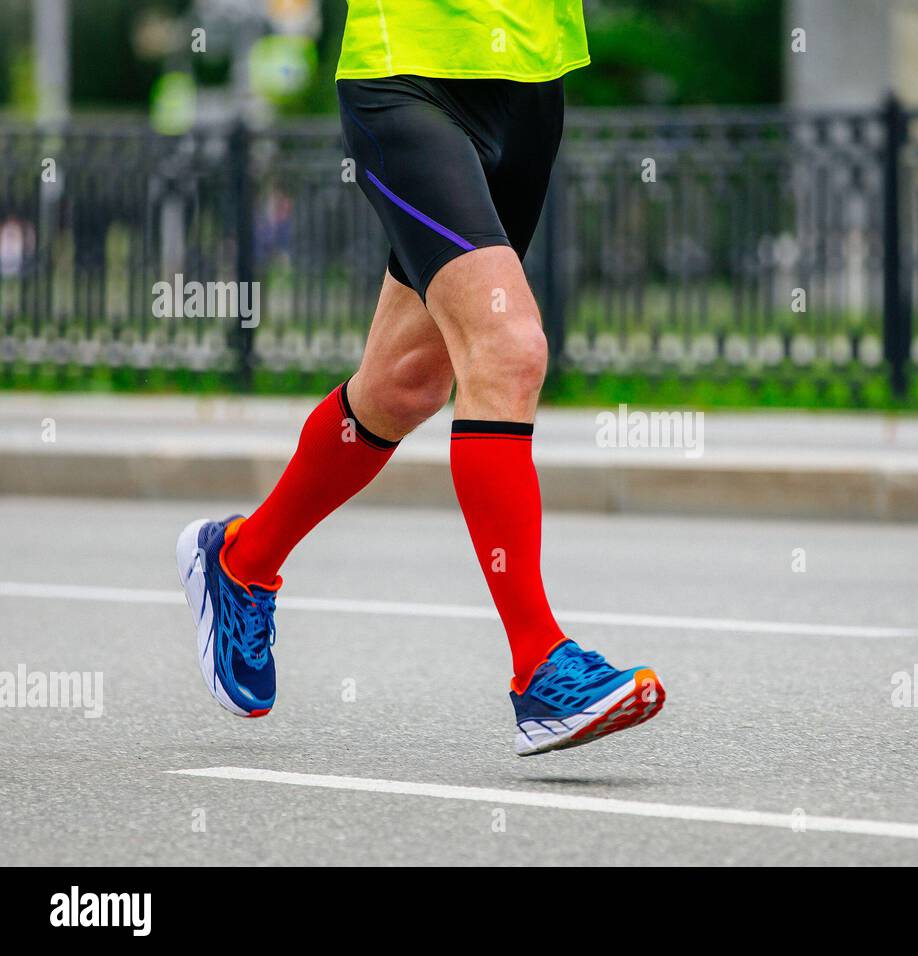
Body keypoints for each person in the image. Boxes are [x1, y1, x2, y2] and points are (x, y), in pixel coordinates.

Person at [175, 0, 664, 756]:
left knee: (404, 383)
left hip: (532, 80)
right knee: (508, 347)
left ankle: (242, 561)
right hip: (408, 80)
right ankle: (540, 664)